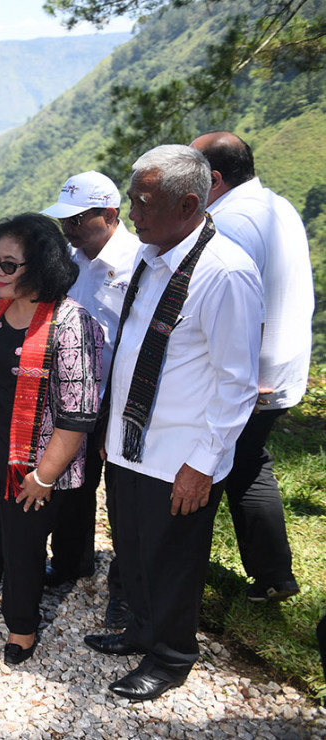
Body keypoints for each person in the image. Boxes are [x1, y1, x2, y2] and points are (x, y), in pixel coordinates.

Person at [84, 145, 263, 702]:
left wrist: (203, 464)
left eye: (142, 202)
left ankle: (172, 655)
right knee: (133, 548)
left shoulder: (224, 273)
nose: (132, 214)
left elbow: (236, 383)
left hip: (179, 454)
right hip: (130, 441)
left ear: (188, 203)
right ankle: (141, 628)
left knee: (173, 559)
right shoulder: (149, 253)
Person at [0, 213, 103, 665]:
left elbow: (77, 415)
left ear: (40, 265)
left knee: (23, 544)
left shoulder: (71, 324)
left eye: (10, 265)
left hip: (35, 462)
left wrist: (45, 475)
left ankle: (22, 625)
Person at [190, 131, 312, 603]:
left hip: (251, 374)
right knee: (249, 465)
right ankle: (274, 575)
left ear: (214, 178)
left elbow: (240, 306)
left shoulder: (231, 223)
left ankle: (179, 578)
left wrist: (240, 380)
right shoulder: (277, 205)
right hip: (281, 366)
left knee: (207, 468)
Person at [41, 171, 141, 630]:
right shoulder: (67, 257)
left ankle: (126, 593)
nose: (71, 227)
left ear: (110, 215)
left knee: (123, 499)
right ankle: (69, 562)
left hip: (118, 399)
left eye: (80, 218)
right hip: (73, 395)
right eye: (66, 218)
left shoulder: (139, 262)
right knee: (71, 483)